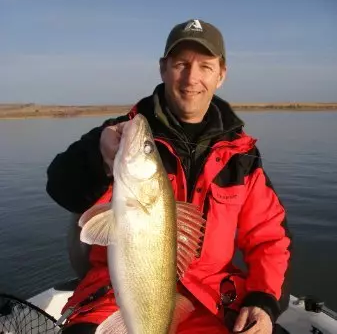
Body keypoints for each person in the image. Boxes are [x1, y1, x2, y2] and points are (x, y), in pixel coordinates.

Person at [46, 19, 292, 334]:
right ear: (163, 68)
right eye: (181, 64)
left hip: (212, 300)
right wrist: (102, 158)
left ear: (221, 74)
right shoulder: (120, 136)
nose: (192, 78)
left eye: (205, 66)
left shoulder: (241, 156)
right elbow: (61, 187)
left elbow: (269, 236)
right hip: (115, 296)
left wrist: (263, 301)